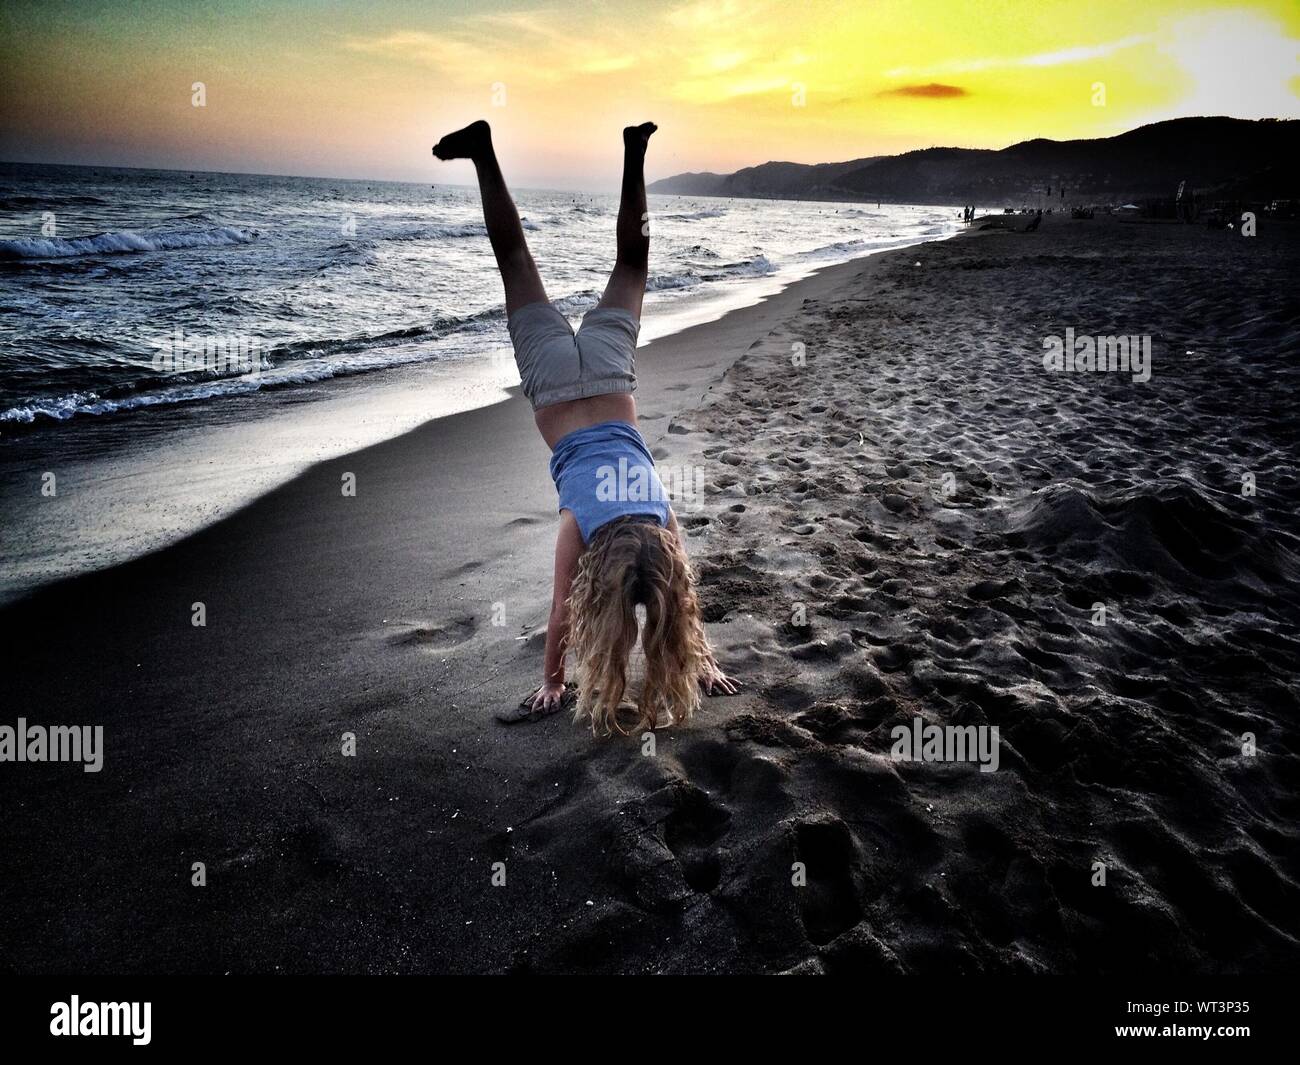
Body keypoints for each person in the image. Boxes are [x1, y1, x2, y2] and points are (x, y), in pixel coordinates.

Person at [432, 120, 739, 734]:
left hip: (607, 370)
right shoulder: (580, 524)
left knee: (634, 260)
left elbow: (679, 594)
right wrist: (551, 681)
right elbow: (560, 611)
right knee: (513, 259)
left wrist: (700, 657)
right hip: (550, 379)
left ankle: (633, 151)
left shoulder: (658, 516)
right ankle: (484, 152)